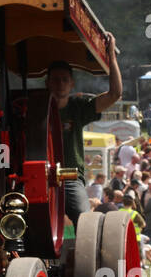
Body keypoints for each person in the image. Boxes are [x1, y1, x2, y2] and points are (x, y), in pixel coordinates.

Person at [45, 32, 122, 228]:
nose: (60, 84)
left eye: (64, 79)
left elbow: (115, 94)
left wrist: (111, 57)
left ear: (72, 84)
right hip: (40, 178)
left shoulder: (78, 107)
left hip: (70, 177)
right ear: (47, 83)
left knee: (85, 221)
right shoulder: (36, 108)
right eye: (55, 80)